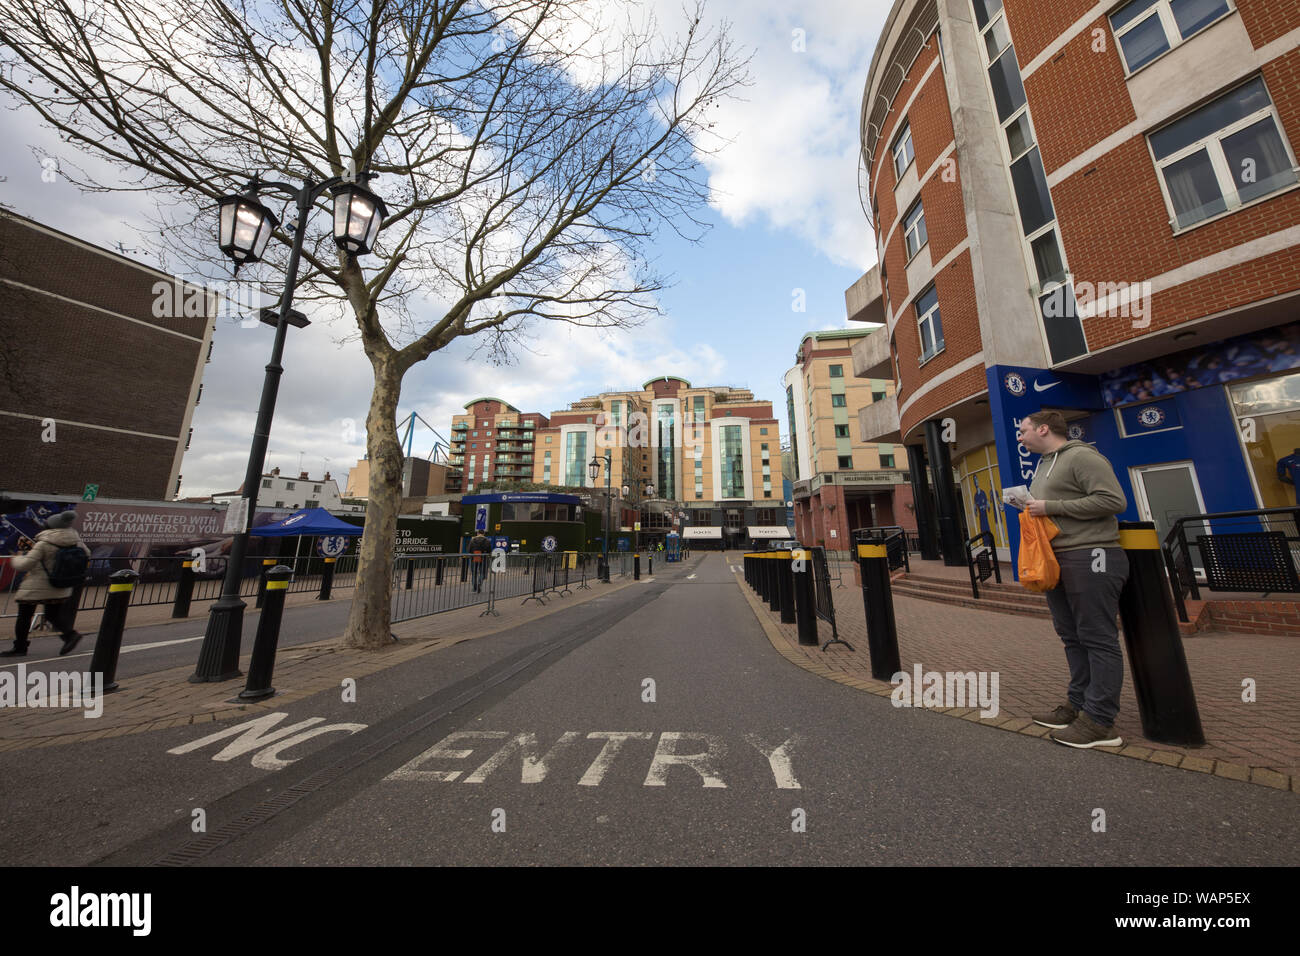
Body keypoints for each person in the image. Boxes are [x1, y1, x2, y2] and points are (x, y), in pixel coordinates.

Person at [1017, 411, 1130, 749]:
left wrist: (1050, 505)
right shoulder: (1044, 464)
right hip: (1058, 558)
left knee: (1097, 637)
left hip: (1091, 555)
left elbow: (1113, 501)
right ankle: (1079, 705)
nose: (1020, 437)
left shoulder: (1082, 456)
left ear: (1043, 429)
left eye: (1023, 431)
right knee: (1071, 636)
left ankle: (1100, 722)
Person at [3, 510, 91, 657]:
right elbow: (87, 555)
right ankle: (70, 635)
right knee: (52, 615)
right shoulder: (76, 541)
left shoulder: (44, 543)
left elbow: (24, 565)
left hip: (36, 585)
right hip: (61, 585)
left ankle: (20, 647)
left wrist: (16, 557)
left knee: (24, 616)